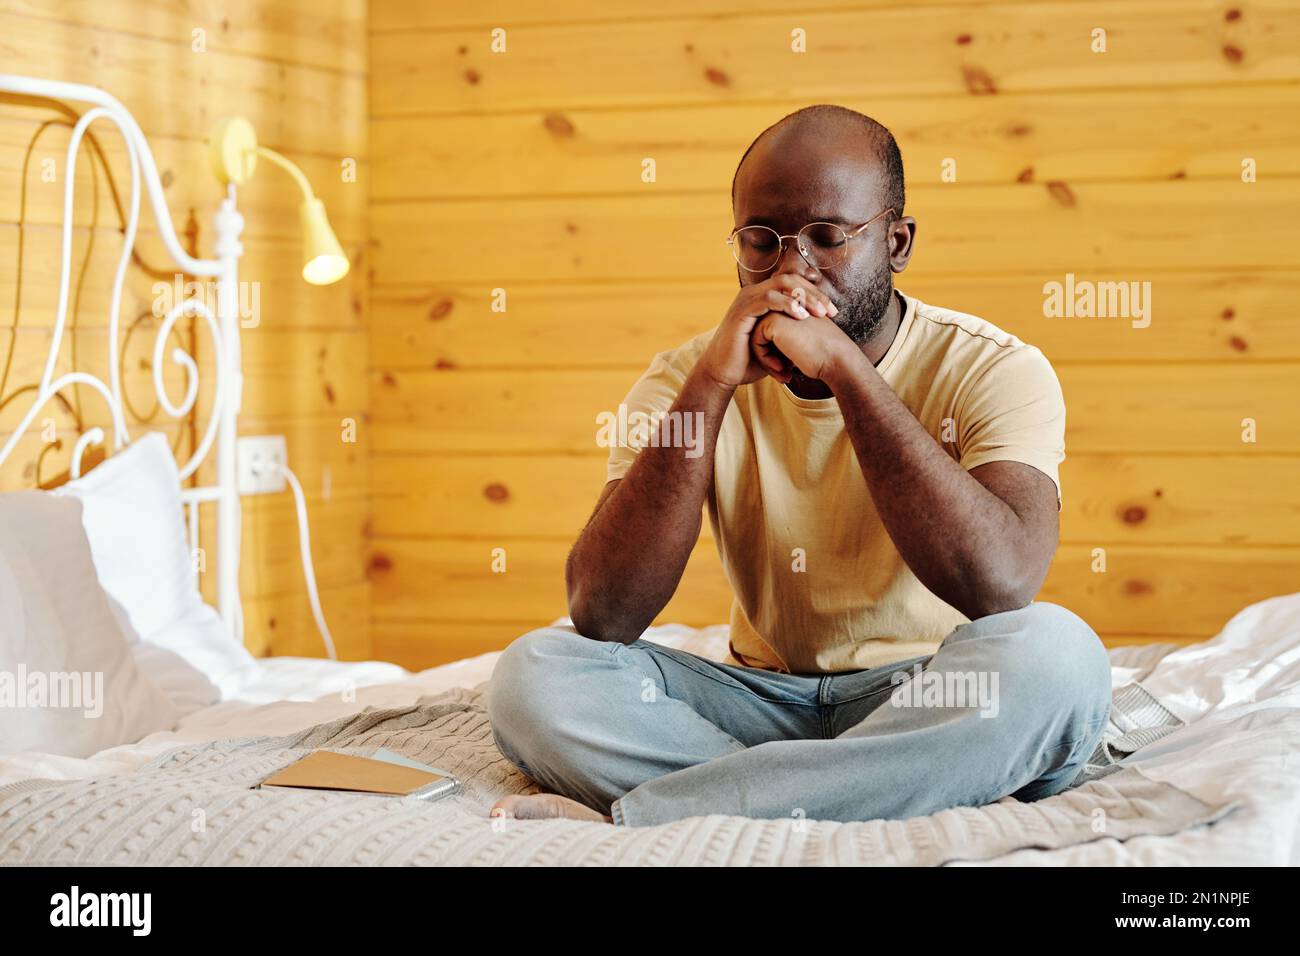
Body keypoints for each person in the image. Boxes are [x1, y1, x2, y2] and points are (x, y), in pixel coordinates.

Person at [487, 104, 1111, 827]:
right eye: (762, 241)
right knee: (534, 676)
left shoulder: (995, 368)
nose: (792, 269)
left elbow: (1001, 583)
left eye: (827, 237)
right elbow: (603, 610)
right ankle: (898, 787)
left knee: (1059, 661)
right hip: (759, 701)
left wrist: (852, 378)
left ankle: (659, 814)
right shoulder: (686, 380)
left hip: (929, 698)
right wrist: (712, 388)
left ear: (898, 242)